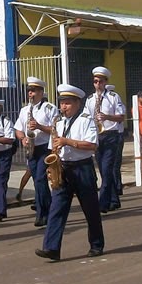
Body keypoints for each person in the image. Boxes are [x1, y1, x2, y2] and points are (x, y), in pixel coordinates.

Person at [35, 84, 104, 260]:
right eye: (62, 103)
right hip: (64, 169)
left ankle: (96, 245)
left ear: (77, 103)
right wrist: (52, 166)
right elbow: (53, 147)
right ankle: (51, 248)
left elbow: (92, 145)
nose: (63, 107)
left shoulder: (87, 120)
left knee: (91, 210)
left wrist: (67, 141)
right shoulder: (58, 122)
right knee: (56, 210)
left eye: (67, 103)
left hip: (83, 168)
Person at [15, 77, 58, 227]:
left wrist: (39, 126)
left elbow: (56, 129)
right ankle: (45, 210)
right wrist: (22, 139)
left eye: (33, 91)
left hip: (44, 147)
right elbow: (18, 129)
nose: (30, 94)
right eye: (29, 91)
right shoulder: (24, 110)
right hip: (31, 147)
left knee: (40, 178)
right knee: (37, 181)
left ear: (41, 92)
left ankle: (44, 213)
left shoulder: (49, 108)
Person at [85, 67, 125, 213]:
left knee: (107, 169)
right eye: (95, 81)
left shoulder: (113, 97)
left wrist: (106, 117)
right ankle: (114, 200)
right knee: (103, 170)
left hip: (111, 135)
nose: (97, 84)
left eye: (100, 81)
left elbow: (121, 117)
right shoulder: (90, 100)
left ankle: (103, 202)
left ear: (106, 82)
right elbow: (85, 117)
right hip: (97, 136)